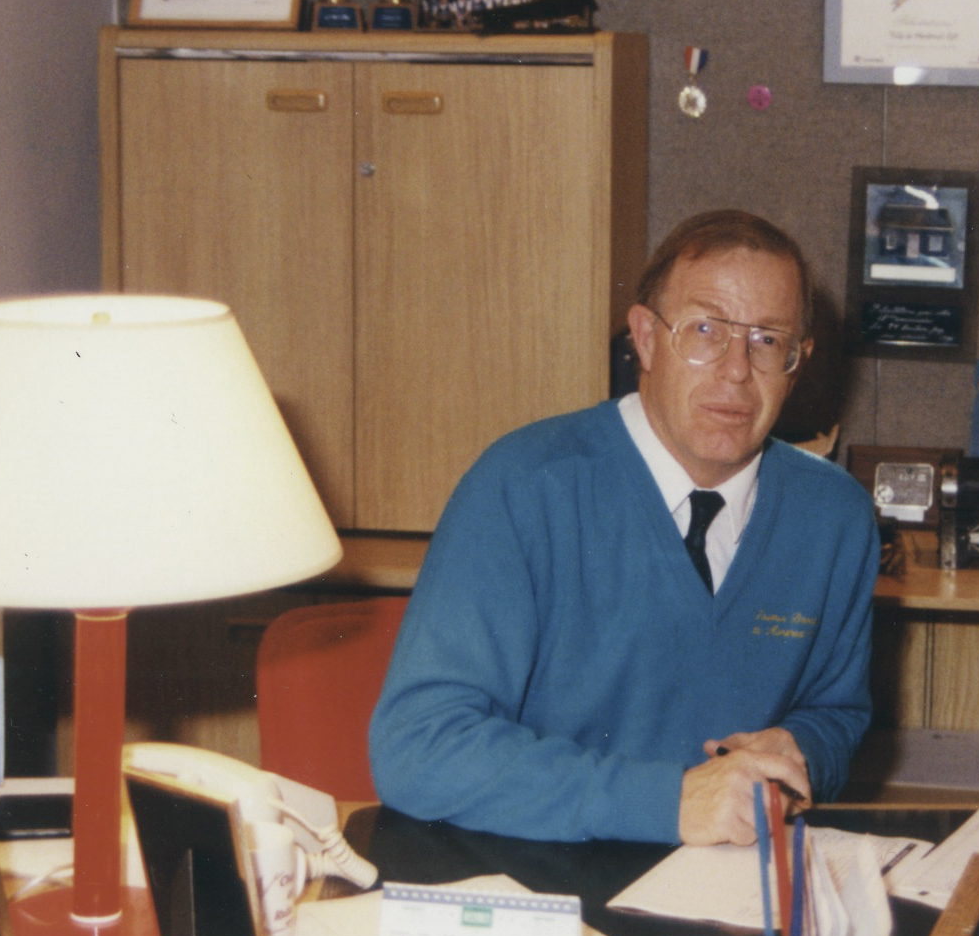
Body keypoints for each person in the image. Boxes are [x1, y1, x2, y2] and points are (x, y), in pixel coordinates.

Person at [370, 210, 879, 846]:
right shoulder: (522, 487)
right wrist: (669, 803)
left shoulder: (836, 517)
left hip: (736, 892)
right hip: (545, 886)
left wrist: (802, 749)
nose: (736, 371)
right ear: (643, 337)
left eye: (767, 340)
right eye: (705, 330)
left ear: (797, 362)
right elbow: (419, 747)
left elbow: (837, 712)